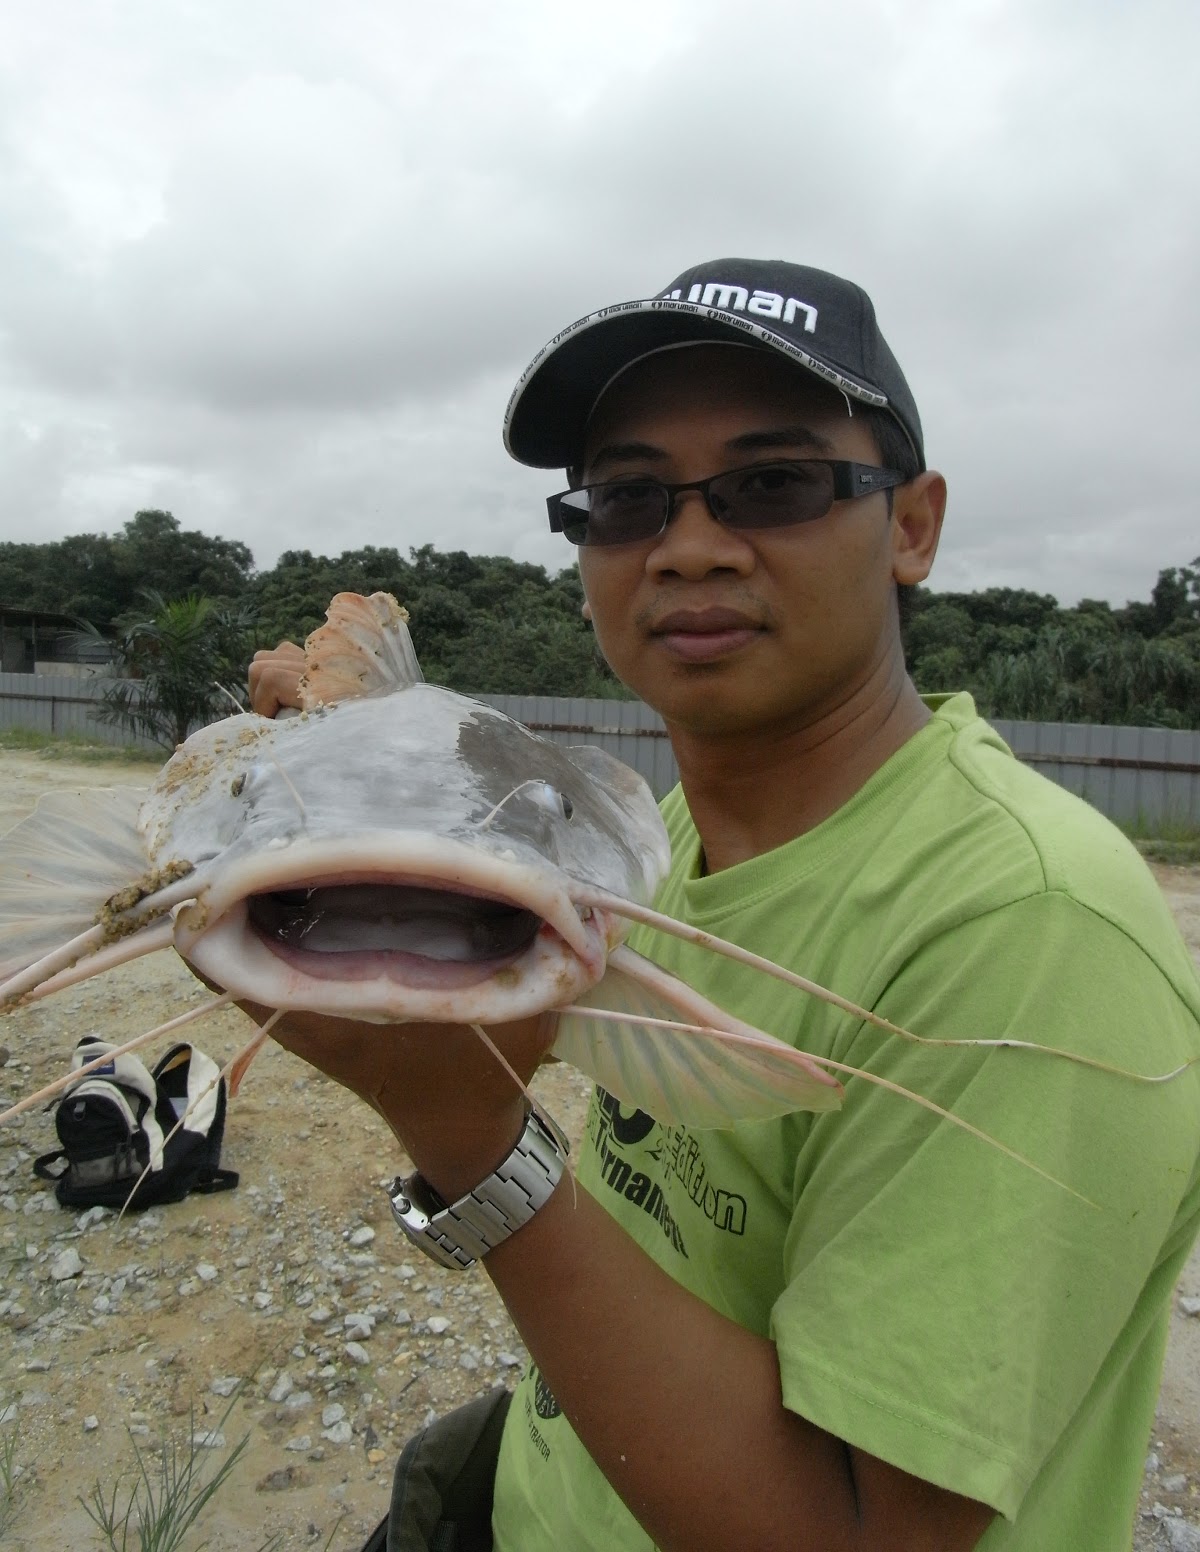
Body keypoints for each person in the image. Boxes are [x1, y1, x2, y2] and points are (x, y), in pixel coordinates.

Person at [249, 258, 1200, 1551]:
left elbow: (857, 1535)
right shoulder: (676, 832)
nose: (689, 546)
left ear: (912, 526)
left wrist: (465, 1133)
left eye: (776, 484)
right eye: (628, 498)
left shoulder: (1030, 935)